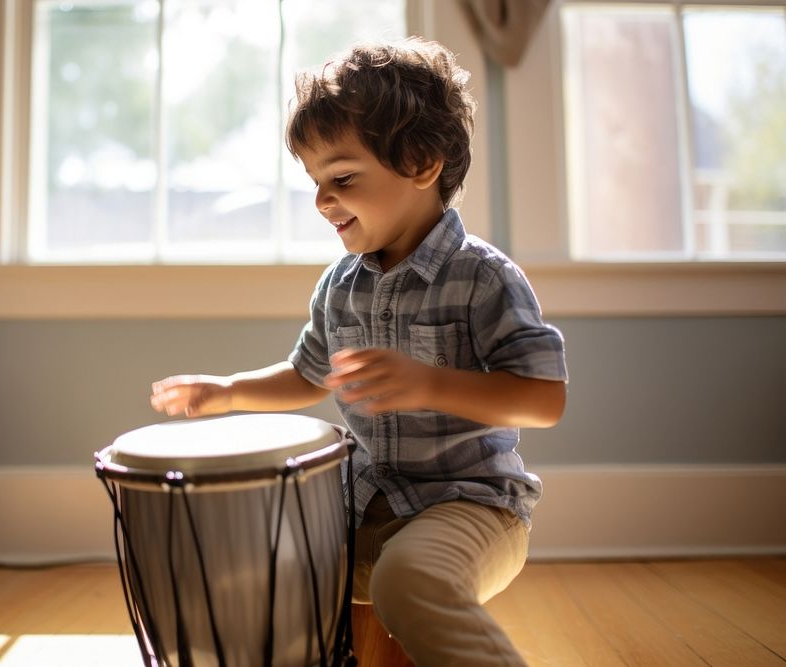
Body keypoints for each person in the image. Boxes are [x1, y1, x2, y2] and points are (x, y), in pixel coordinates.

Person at [150, 36, 567, 666]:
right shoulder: (339, 286)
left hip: (473, 507)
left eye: (341, 178)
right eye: (316, 181)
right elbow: (305, 375)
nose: (321, 200)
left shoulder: (483, 276)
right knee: (252, 570)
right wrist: (231, 391)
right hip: (362, 500)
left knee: (409, 580)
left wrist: (429, 384)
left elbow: (544, 400)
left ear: (423, 163)